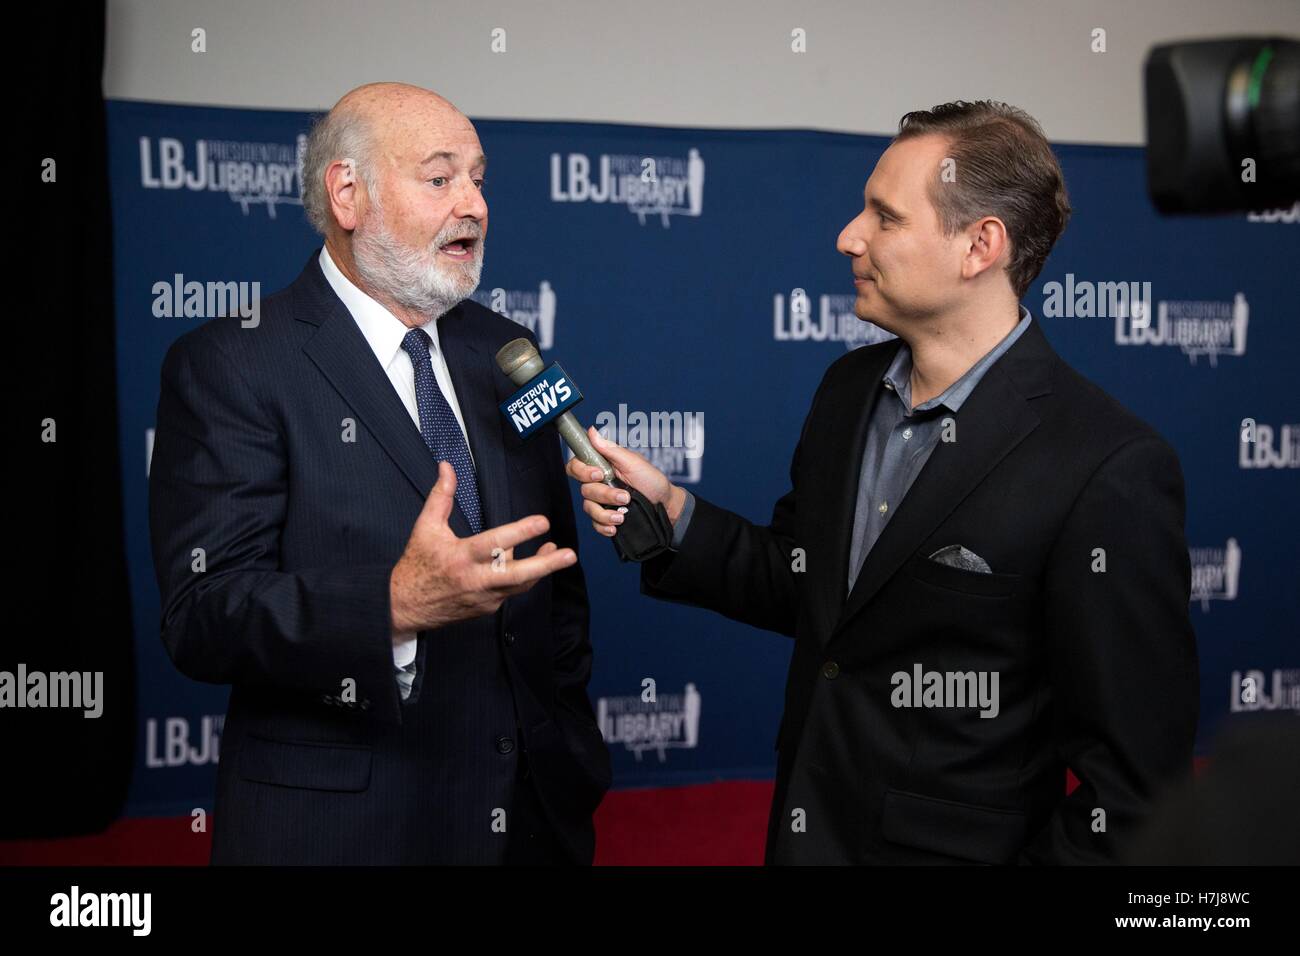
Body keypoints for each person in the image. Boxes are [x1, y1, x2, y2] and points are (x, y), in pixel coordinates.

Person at [569, 101, 1198, 865]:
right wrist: (675, 514)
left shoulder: (1108, 464)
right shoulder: (847, 390)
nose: (849, 237)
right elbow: (814, 590)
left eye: (885, 218)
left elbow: (1134, 796)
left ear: (979, 247)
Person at [149, 82, 610, 865]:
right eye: (440, 179)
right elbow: (204, 614)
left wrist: (568, 751)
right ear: (348, 193)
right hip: (347, 833)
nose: (474, 205)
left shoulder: (506, 352)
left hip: (532, 824)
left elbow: (555, 587)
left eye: (479, 178)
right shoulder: (232, 363)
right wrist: (393, 605)